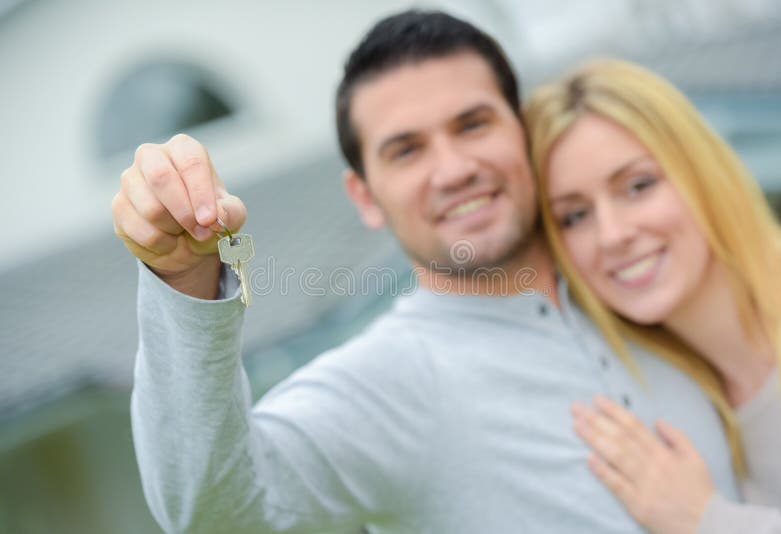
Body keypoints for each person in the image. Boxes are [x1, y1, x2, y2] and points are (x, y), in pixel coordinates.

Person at [113, 12, 741, 534]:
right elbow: (213, 515)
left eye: (473, 124)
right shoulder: (387, 384)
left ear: (522, 133)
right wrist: (185, 277)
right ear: (364, 196)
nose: (454, 168)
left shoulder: (644, 281)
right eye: (406, 149)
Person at [526, 58, 781, 534]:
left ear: (700, 170)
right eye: (574, 216)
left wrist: (707, 520)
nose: (612, 235)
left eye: (638, 186)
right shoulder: (685, 403)